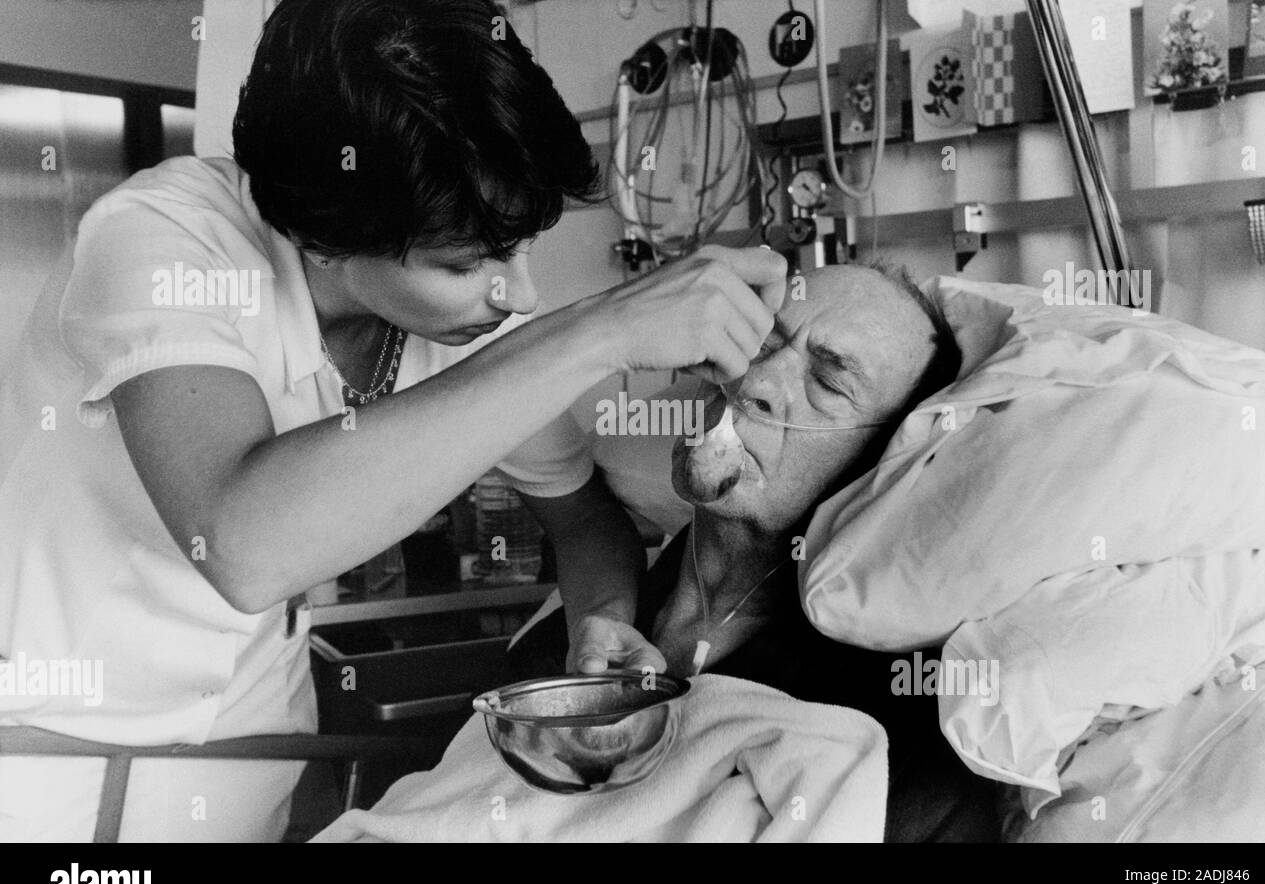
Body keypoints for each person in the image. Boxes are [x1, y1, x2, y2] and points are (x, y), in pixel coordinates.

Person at [0, 0, 785, 841]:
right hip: (51, 758)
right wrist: (599, 330)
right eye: (467, 263)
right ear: (325, 236)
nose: (516, 294)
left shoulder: (470, 327)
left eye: (521, 251)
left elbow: (581, 514)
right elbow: (241, 542)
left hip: (249, 759)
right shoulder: (161, 237)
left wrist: (602, 616)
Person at [510, 262, 1002, 842]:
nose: (758, 384)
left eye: (828, 384)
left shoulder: (885, 731)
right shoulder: (582, 624)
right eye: (761, 344)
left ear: (884, 460)